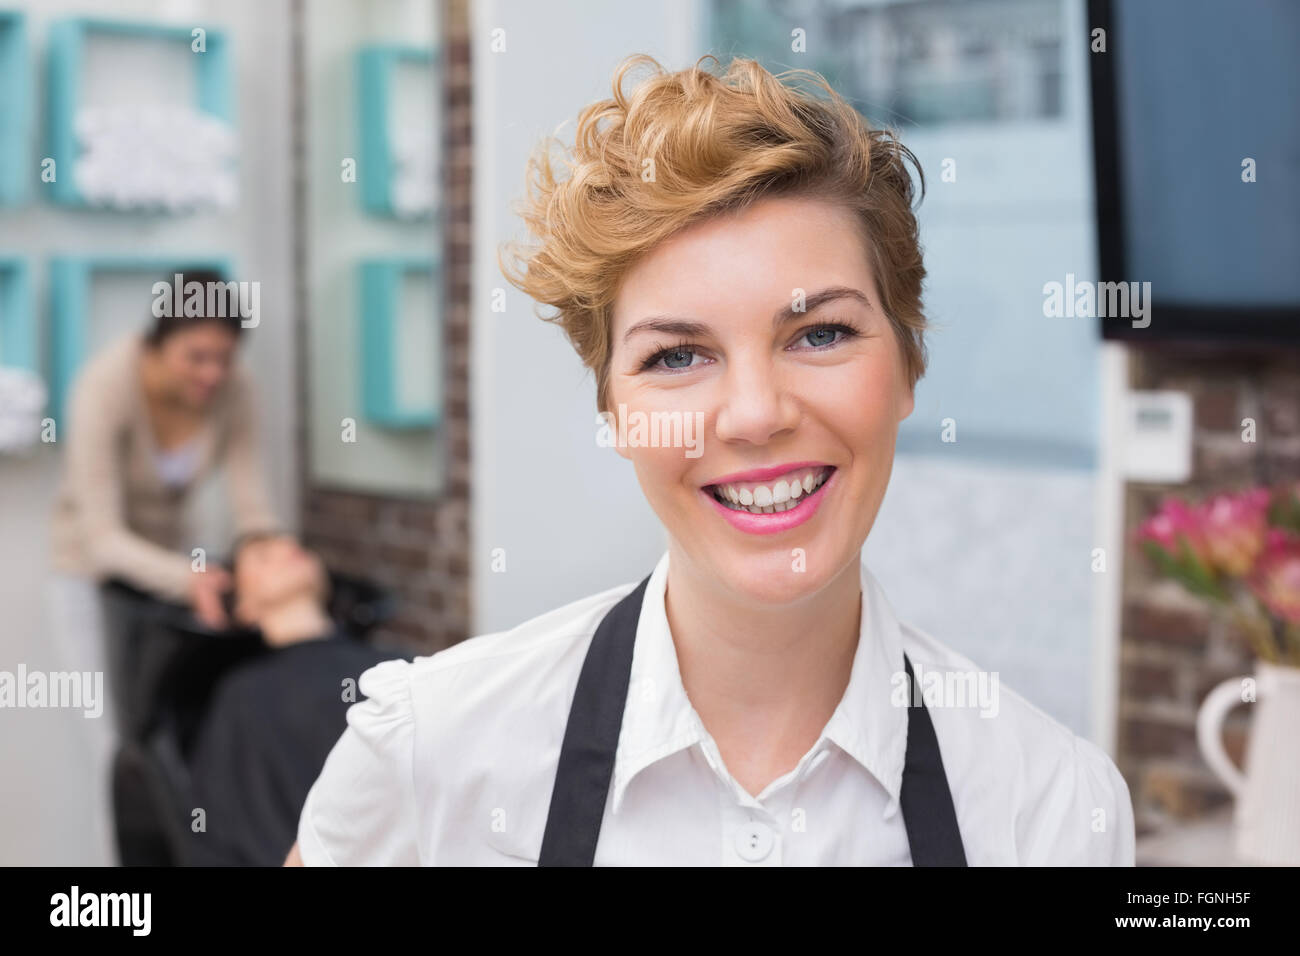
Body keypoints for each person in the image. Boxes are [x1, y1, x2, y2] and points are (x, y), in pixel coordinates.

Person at [286, 54, 1136, 866]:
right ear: (613, 412)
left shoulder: (1051, 807)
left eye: (820, 334)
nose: (757, 415)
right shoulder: (429, 749)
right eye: (677, 356)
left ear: (909, 366)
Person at [47, 268, 278, 864]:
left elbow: (252, 500)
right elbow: (101, 536)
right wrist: (188, 579)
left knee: (176, 741)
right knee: (118, 748)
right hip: (91, 576)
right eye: (196, 357)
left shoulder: (235, 388)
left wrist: (265, 558)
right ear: (157, 343)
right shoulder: (105, 386)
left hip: (173, 574)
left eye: (224, 358)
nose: (212, 374)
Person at [185, 532, 409, 866]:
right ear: (244, 607)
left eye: (297, 545)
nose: (290, 550)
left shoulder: (396, 667)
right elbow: (220, 833)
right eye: (264, 556)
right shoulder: (244, 696)